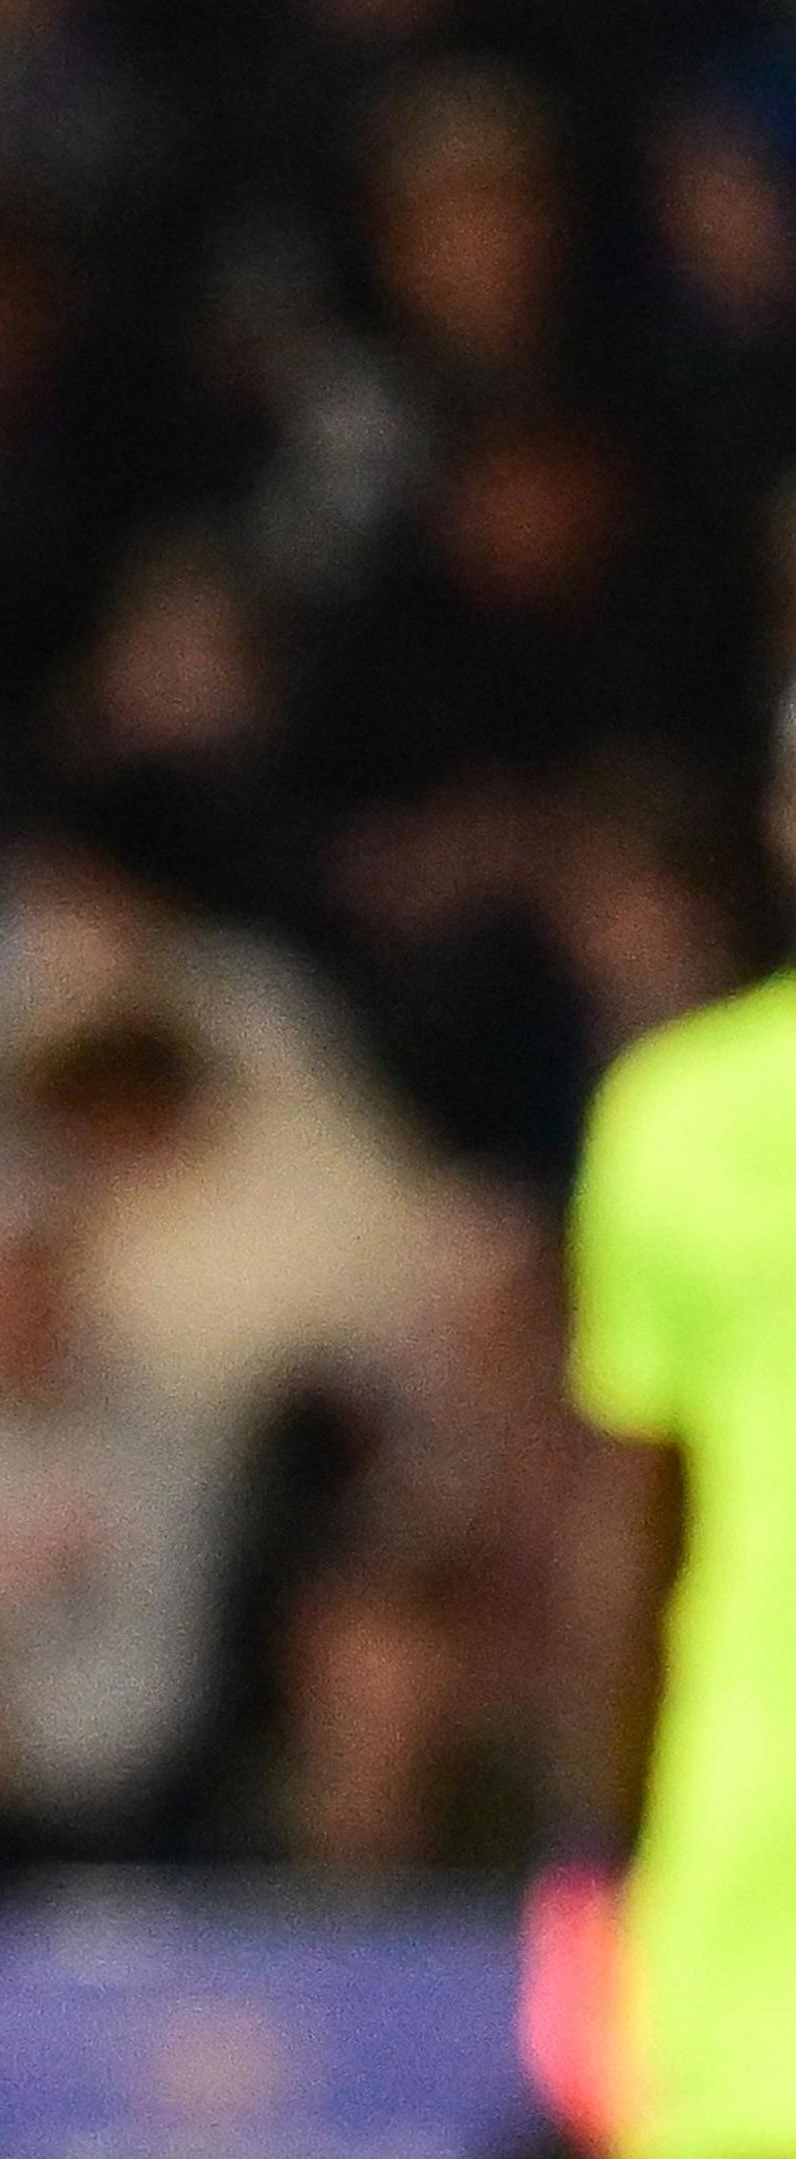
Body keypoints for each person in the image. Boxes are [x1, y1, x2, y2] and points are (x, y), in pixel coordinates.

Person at [549, 698, 796, 2159]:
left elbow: (635, 1537)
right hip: (742, 1892)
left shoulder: (680, 1116)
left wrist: (587, 1854)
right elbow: (638, 1535)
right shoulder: (672, 1120)